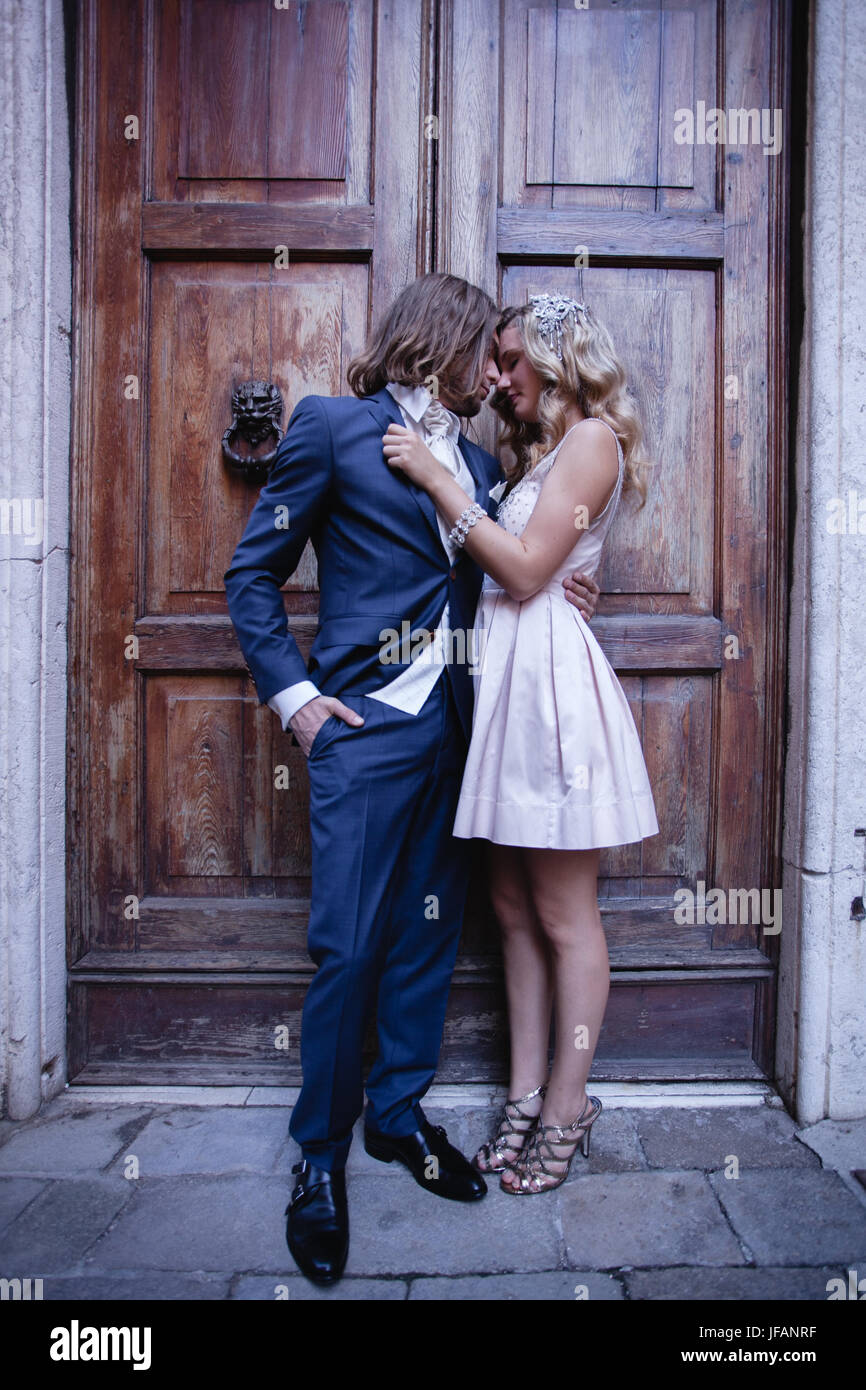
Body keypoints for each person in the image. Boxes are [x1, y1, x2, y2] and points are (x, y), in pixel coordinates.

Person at [223, 274, 600, 1283]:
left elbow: (503, 567)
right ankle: (317, 1159)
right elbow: (249, 573)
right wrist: (297, 701)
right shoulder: (333, 431)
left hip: (458, 739)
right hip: (361, 736)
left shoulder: (477, 461)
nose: (496, 371)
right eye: (487, 350)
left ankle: (395, 1118)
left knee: (425, 936)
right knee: (346, 947)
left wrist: (559, 581)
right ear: (442, 341)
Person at [382, 292, 659, 1196]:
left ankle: (568, 1109)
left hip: (544, 693)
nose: (495, 380)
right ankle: (524, 1093)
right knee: (507, 911)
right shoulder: (541, 451)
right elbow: (539, 562)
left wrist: (436, 477)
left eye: (508, 361)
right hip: (503, 682)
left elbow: (530, 569)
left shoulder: (590, 441)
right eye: (494, 363)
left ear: (555, 354)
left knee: (564, 916)